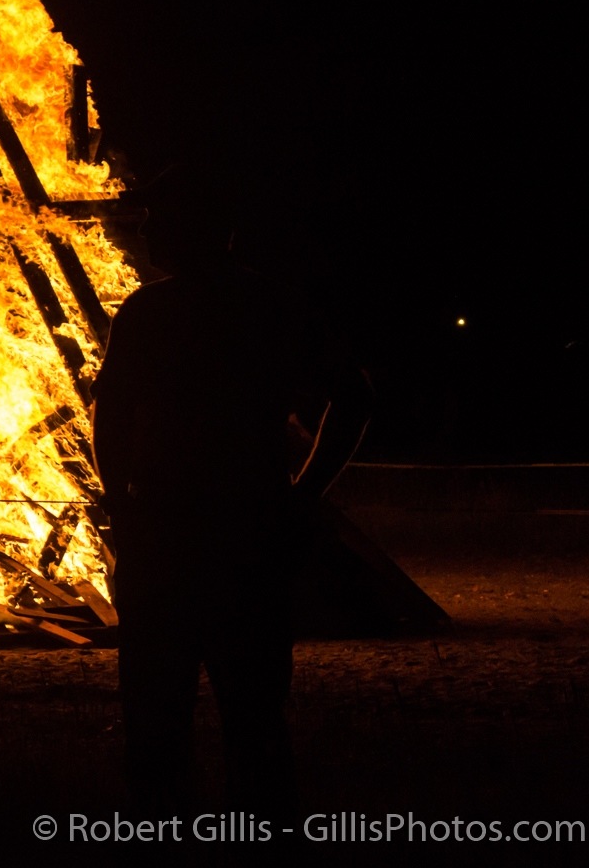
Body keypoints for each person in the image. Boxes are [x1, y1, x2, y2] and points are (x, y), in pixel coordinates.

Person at [91, 176, 370, 819]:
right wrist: (303, 494)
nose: (146, 231)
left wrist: (122, 498)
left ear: (201, 233)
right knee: (255, 717)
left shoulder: (151, 313)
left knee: (159, 720)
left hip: (170, 535)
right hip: (251, 530)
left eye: (161, 220)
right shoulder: (274, 306)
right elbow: (353, 397)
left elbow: (111, 414)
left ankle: (167, 835)